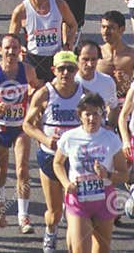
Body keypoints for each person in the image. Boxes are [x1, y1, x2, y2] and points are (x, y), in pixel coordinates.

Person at [23, 50, 84, 252]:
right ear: (53, 70)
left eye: (70, 69)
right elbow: (28, 125)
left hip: (75, 160)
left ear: (76, 70)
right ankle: (50, 231)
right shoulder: (44, 93)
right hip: (50, 157)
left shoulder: (84, 92)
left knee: (76, 211)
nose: (66, 73)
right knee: (55, 211)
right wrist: (46, 139)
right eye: (61, 69)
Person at [54, 92, 128, 253]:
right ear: (80, 115)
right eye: (87, 114)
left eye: (96, 114)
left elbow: (124, 174)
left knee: (102, 248)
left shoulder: (111, 138)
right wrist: (66, 183)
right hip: (78, 199)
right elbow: (58, 163)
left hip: (105, 199)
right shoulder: (69, 137)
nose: (92, 119)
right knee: (80, 249)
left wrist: (107, 175)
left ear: (103, 115)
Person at [0, 32, 40, 234]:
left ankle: (24, 216)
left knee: (23, 169)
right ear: (0, 50)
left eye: (15, 47)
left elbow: (38, 90)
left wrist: (32, 103)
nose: (11, 51)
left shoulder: (28, 70)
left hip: (21, 127)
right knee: (1, 170)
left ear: (20, 50)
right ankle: (0, 202)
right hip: (1, 128)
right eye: (7, 48)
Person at [9, 0, 77, 83]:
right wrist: (20, 48)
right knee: (35, 93)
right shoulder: (21, 10)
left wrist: (68, 44)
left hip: (56, 57)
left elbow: (73, 25)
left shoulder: (60, 4)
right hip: (33, 58)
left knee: (57, 91)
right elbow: (11, 38)